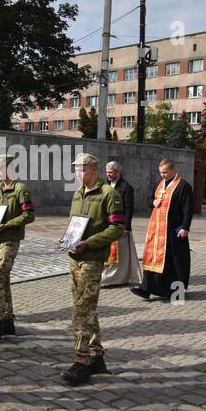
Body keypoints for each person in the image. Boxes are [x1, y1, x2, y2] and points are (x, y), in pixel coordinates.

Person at [62, 154, 125, 386]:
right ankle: (96, 356)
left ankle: (82, 362)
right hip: (75, 258)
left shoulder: (109, 194)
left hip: (92, 259)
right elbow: (74, 223)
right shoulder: (78, 193)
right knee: (87, 309)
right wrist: (67, 240)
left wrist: (89, 243)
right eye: (77, 170)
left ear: (93, 169)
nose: (79, 174)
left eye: (82, 170)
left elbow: (118, 228)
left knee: (81, 310)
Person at [0, 154, 35, 337]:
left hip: (10, 240)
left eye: (0, 168)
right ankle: (8, 321)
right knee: (3, 281)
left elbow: (29, 215)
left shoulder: (20, 189)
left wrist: (7, 225)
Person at [133, 158, 194, 301]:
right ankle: (146, 288)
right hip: (156, 230)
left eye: (165, 172)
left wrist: (185, 227)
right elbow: (149, 199)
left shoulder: (183, 186)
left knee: (175, 261)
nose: (162, 175)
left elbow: (188, 209)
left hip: (174, 230)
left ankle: (175, 292)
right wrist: (153, 202)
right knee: (152, 257)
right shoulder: (159, 184)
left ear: (173, 170)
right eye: (161, 172)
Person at [101, 160, 142, 286]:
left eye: (111, 172)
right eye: (107, 172)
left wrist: (126, 227)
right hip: (106, 225)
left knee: (121, 254)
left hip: (120, 225)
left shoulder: (126, 187)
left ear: (118, 172)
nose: (108, 175)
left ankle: (120, 278)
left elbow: (129, 208)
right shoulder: (104, 185)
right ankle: (106, 277)